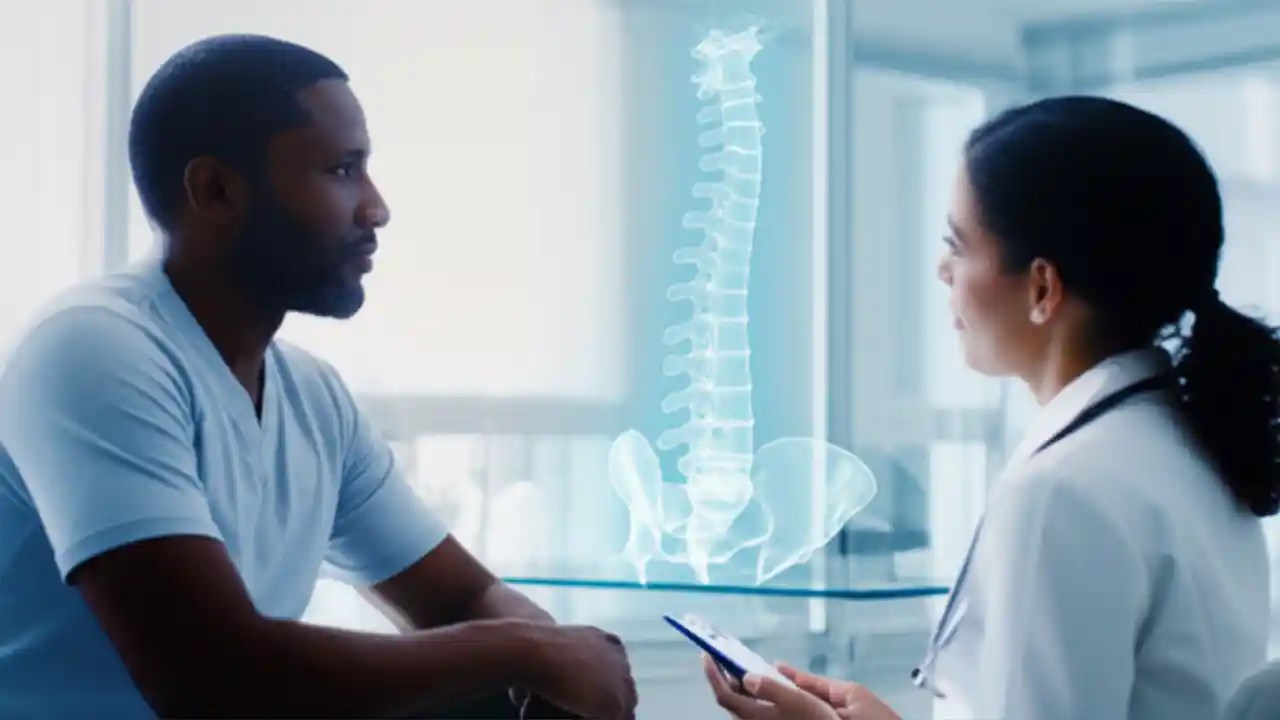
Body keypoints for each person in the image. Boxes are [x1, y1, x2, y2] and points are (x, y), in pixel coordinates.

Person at [0, 34, 637, 719]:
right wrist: (531, 651)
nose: (376, 208)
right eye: (341, 170)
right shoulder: (92, 350)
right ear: (215, 190)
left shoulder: (312, 397)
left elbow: (461, 600)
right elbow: (212, 677)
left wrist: (549, 663)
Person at [704, 96, 1280, 720]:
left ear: (1041, 288)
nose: (941, 269)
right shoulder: (1188, 451)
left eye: (959, 244)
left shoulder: (1063, 493)